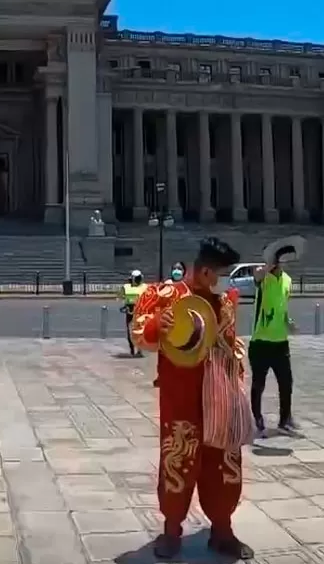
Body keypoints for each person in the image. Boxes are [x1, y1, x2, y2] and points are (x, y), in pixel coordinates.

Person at [130, 238, 254, 561]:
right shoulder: (165, 296)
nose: (227, 282)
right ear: (204, 272)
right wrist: (159, 325)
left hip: (221, 396)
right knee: (179, 462)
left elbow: (231, 340)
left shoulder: (225, 300)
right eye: (222, 274)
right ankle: (172, 530)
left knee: (225, 463)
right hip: (182, 400)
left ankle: (222, 529)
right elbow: (139, 332)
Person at [249, 255, 298, 436]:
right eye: (277, 260)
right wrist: (267, 266)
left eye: (282, 260)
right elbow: (256, 274)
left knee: (286, 383)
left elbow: (282, 308)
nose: (280, 263)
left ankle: (284, 420)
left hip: (280, 343)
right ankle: (257, 418)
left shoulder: (288, 280)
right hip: (260, 342)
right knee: (258, 384)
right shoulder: (263, 277)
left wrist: (289, 322)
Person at [119, 269, 147, 358]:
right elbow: (121, 297)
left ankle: (140, 350)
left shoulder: (145, 287)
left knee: (140, 331)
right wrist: (125, 305)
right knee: (131, 332)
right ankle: (132, 349)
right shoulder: (127, 287)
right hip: (130, 312)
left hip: (141, 312)